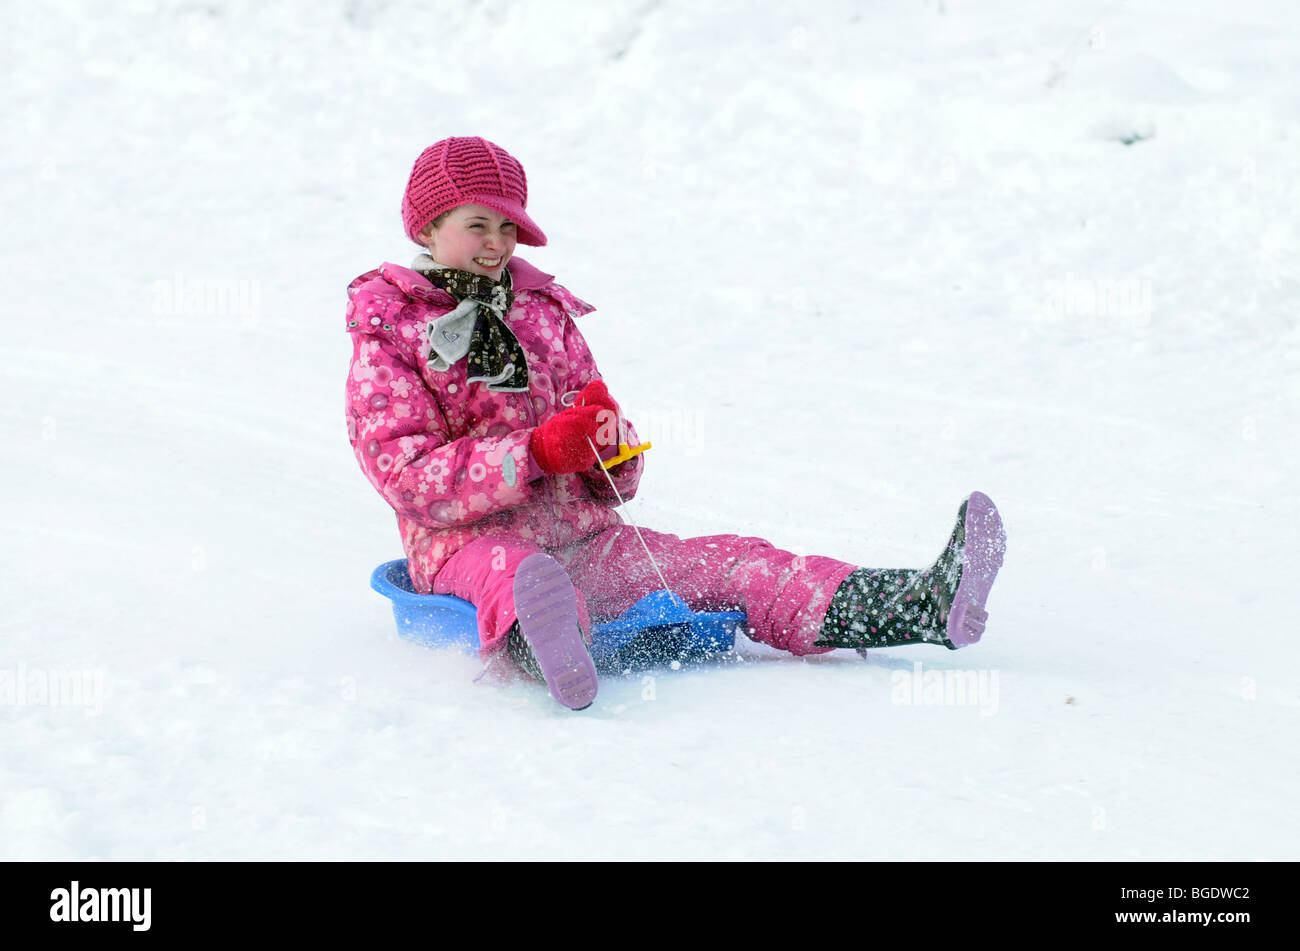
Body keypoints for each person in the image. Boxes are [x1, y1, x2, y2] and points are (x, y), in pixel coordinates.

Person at [345, 136, 1006, 711]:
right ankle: (555, 650)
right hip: (466, 550)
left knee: (735, 561)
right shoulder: (394, 333)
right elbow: (406, 473)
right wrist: (536, 453)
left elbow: (606, 458)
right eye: (477, 225)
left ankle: (917, 602)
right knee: (519, 576)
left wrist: (610, 444)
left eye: (508, 229)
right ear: (428, 228)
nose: (496, 244)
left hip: (586, 540)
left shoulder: (542, 311)